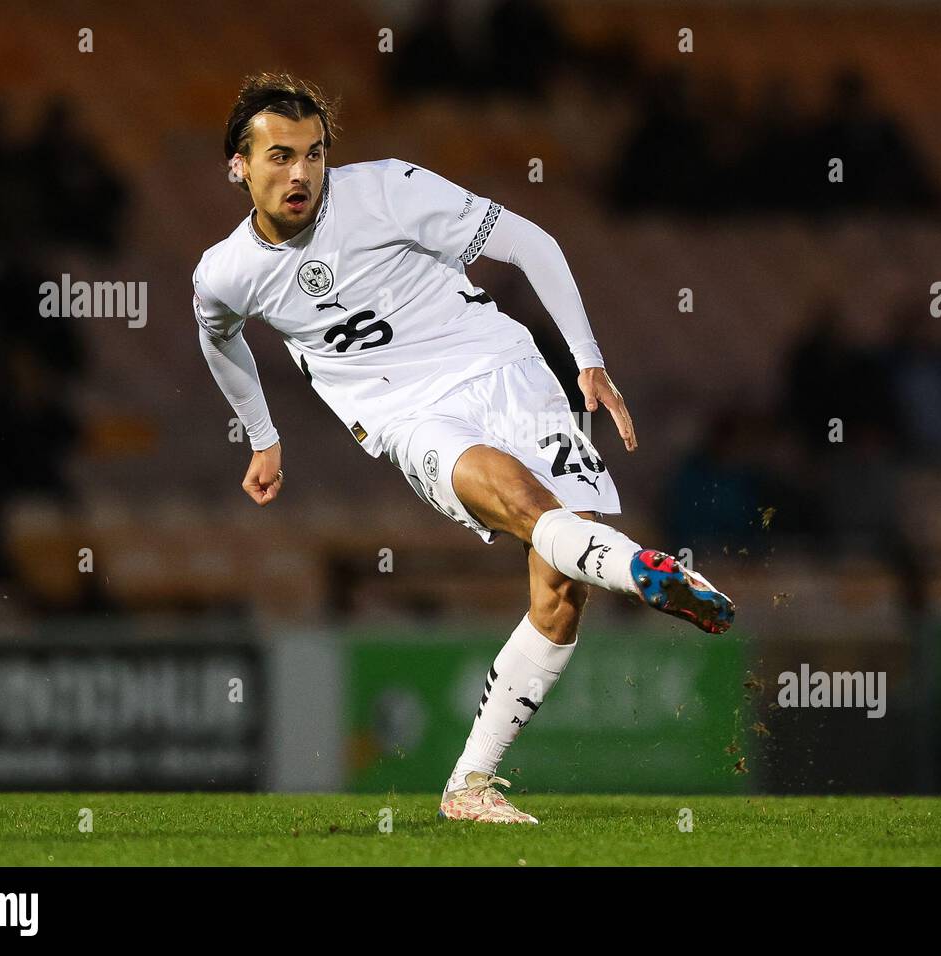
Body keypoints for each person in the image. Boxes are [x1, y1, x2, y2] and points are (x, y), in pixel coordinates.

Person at [193, 73, 735, 824]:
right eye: (280, 156)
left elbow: (529, 242)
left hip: (507, 368)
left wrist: (586, 357)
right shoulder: (224, 274)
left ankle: (469, 788)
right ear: (238, 166)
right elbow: (219, 341)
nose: (301, 173)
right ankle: (641, 569)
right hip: (407, 412)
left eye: (315, 154)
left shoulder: (386, 189)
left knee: (560, 592)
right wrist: (263, 438)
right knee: (526, 504)